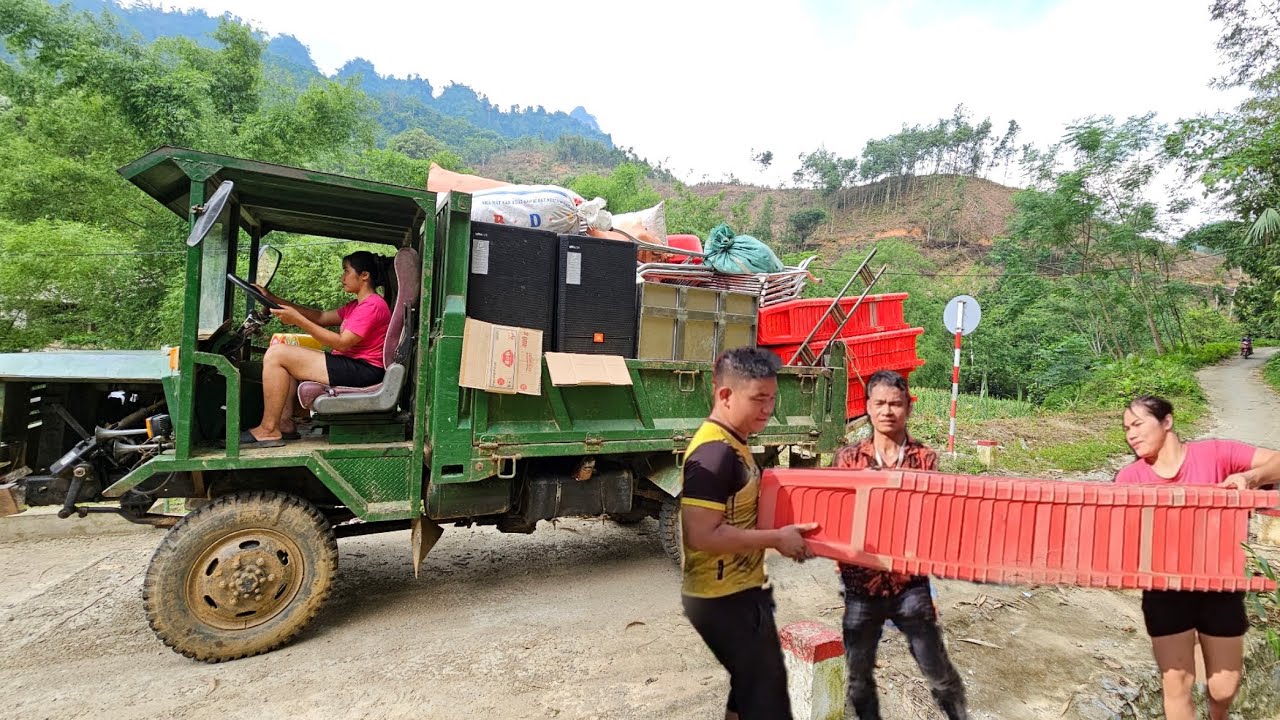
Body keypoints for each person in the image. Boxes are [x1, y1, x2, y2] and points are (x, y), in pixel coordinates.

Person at [1118, 395, 1280, 720]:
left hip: (1220, 583)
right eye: (1125, 429)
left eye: (1137, 424)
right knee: (1176, 684)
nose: (1130, 435)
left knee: (1223, 688)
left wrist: (1251, 479)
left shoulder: (1217, 453)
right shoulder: (1129, 479)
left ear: (1167, 422)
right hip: (1164, 587)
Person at [680, 347, 818, 720]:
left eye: (772, 399)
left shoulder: (736, 442)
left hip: (740, 590)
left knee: (747, 689)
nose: (767, 409)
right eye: (758, 398)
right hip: (720, 599)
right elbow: (701, 535)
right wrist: (776, 538)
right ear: (725, 395)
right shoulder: (714, 454)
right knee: (766, 695)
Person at [834, 370, 967, 720]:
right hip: (861, 586)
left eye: (895, 403)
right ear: (867, 408)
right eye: (879, 403)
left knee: (937, 671)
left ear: (908, 407)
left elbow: (934, 518)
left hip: (910, 586)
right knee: (858, 678)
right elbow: (838, 518)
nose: (887, 411)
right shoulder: (848, 460)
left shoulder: (925, 459)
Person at [243, 251, 391, 447]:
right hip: (352, 365)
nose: (342, 278)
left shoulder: (372, 305)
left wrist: (298, 321)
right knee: (282, 352)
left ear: (364, 275)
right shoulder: (356, 305)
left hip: (363, 370)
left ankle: (268, 429)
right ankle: (283, 423)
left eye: (346, 271)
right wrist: (273, 299)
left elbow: (341, 342)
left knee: (276, 354)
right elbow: (320, 316)